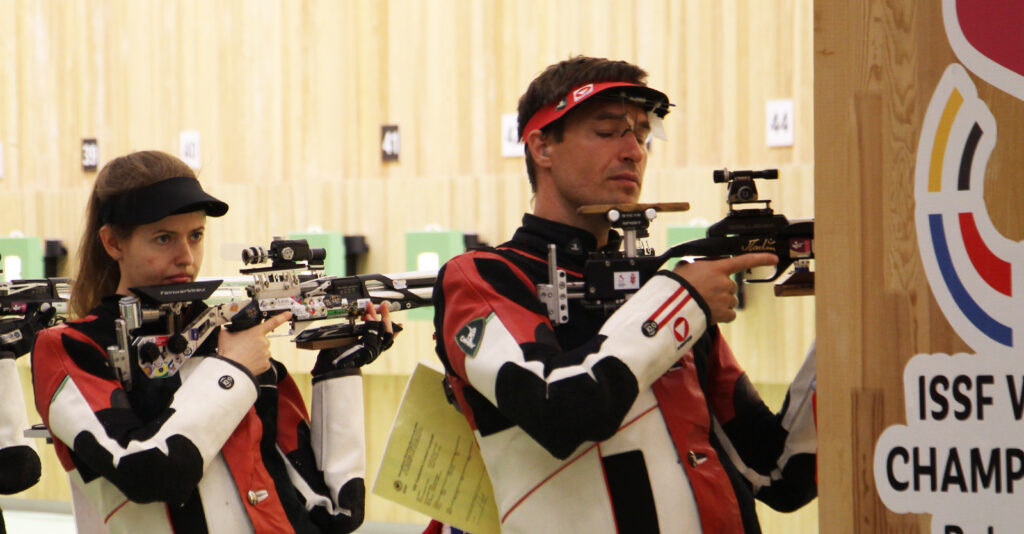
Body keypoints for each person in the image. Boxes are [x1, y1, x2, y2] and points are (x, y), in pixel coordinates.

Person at [429, 57, 817, 533]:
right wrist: (682, 304)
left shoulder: (665, 294)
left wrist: (848, 326)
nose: (634, 151)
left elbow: (783, 474)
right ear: (542, 146)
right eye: (608, 131)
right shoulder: (483, 277)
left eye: (642, 135)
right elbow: (560, 407)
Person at [31, 150, 392, 533]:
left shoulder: (227, 337)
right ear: (113, 243)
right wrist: (231, 371)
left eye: (196, 235)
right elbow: (150, 473)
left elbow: (334, 512)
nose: (186, 257)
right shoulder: (71, 349)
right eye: (164, 238)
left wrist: (338, 370)